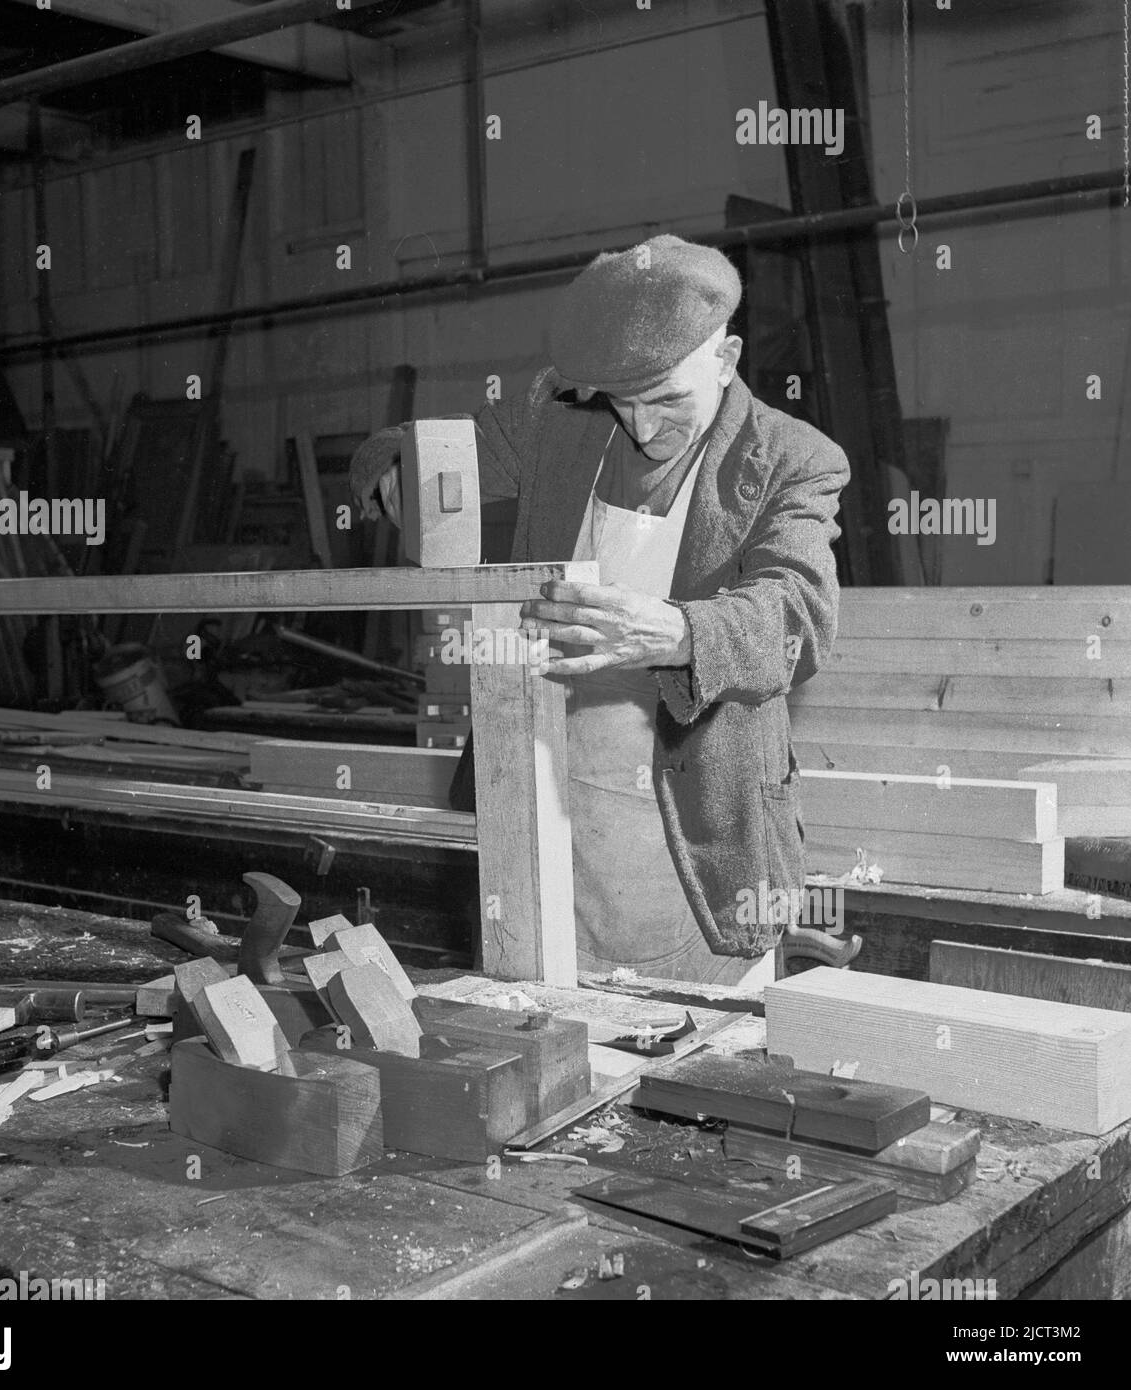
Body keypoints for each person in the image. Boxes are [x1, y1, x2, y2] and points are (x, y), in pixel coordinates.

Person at [351, 234, 850, 984]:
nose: (642, 429)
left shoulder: (793, 458)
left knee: (695, 1060)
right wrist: (399, 469)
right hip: (545, 812)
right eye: (623, 402)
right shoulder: (559, 422)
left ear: (726, 356)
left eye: (665, 401)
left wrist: (678, 630)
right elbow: (408, 445)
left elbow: (797, 615)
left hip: (696, 831)